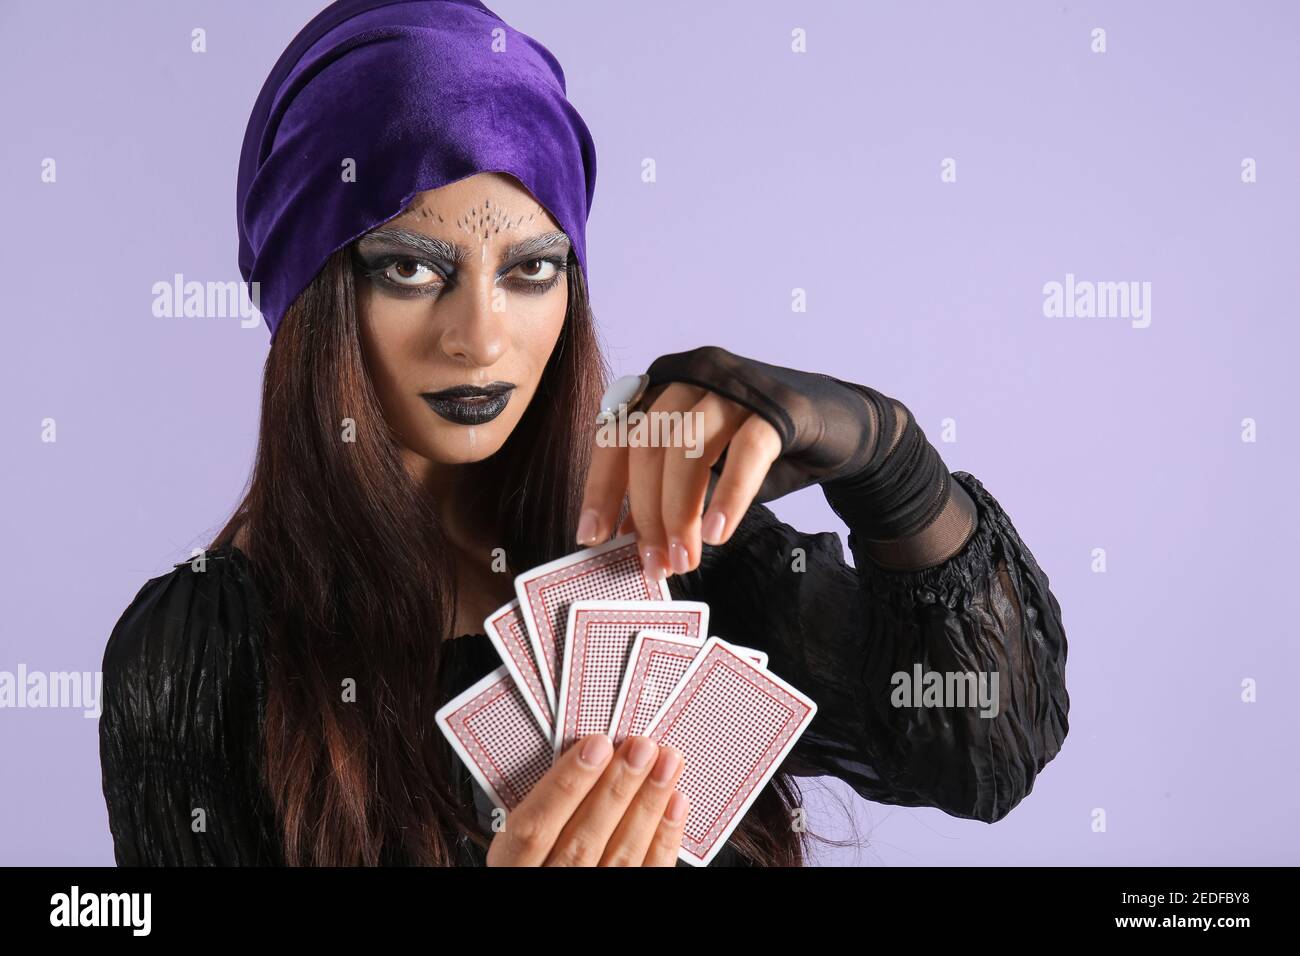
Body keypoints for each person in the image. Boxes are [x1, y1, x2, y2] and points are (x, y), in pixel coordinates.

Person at [99, 0, 1070, 867]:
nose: (480, 337)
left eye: (529, 268)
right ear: (309, 294)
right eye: (409, 269)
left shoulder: (662, 546)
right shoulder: (200, 652)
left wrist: (886, 458)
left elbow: (984, 752)